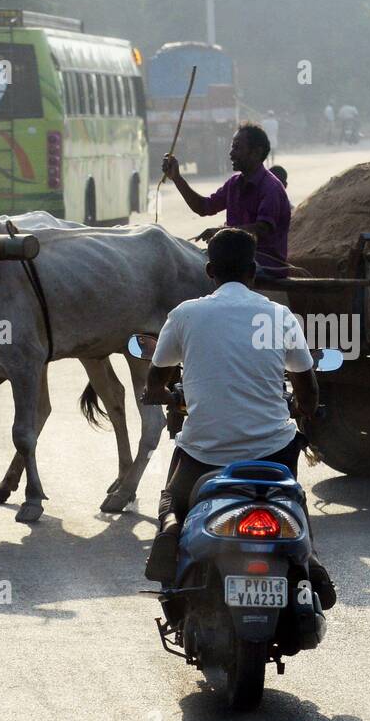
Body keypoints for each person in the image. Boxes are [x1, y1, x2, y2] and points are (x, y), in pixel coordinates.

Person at [142, 228, 336, 608]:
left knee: (173, 499)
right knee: (292, 502)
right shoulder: (279, 317)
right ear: (253, 270)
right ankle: (310, 560)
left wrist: (163, 395)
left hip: (203, 453)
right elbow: (308, 390)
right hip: (272, 453)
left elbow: (155, 380)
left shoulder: (185, 315)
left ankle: (168, 530)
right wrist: (304, 409)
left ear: (210, 270)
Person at [161, 123, 292, 277]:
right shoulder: (234, 183)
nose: (231, 153)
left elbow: (262, 229)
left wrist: (222, 232)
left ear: (256, 152)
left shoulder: (271, 188)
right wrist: (177, 178)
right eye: (232, 147)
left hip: (265, 264)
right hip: (234, 258)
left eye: (237, 148)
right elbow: (204, 207)